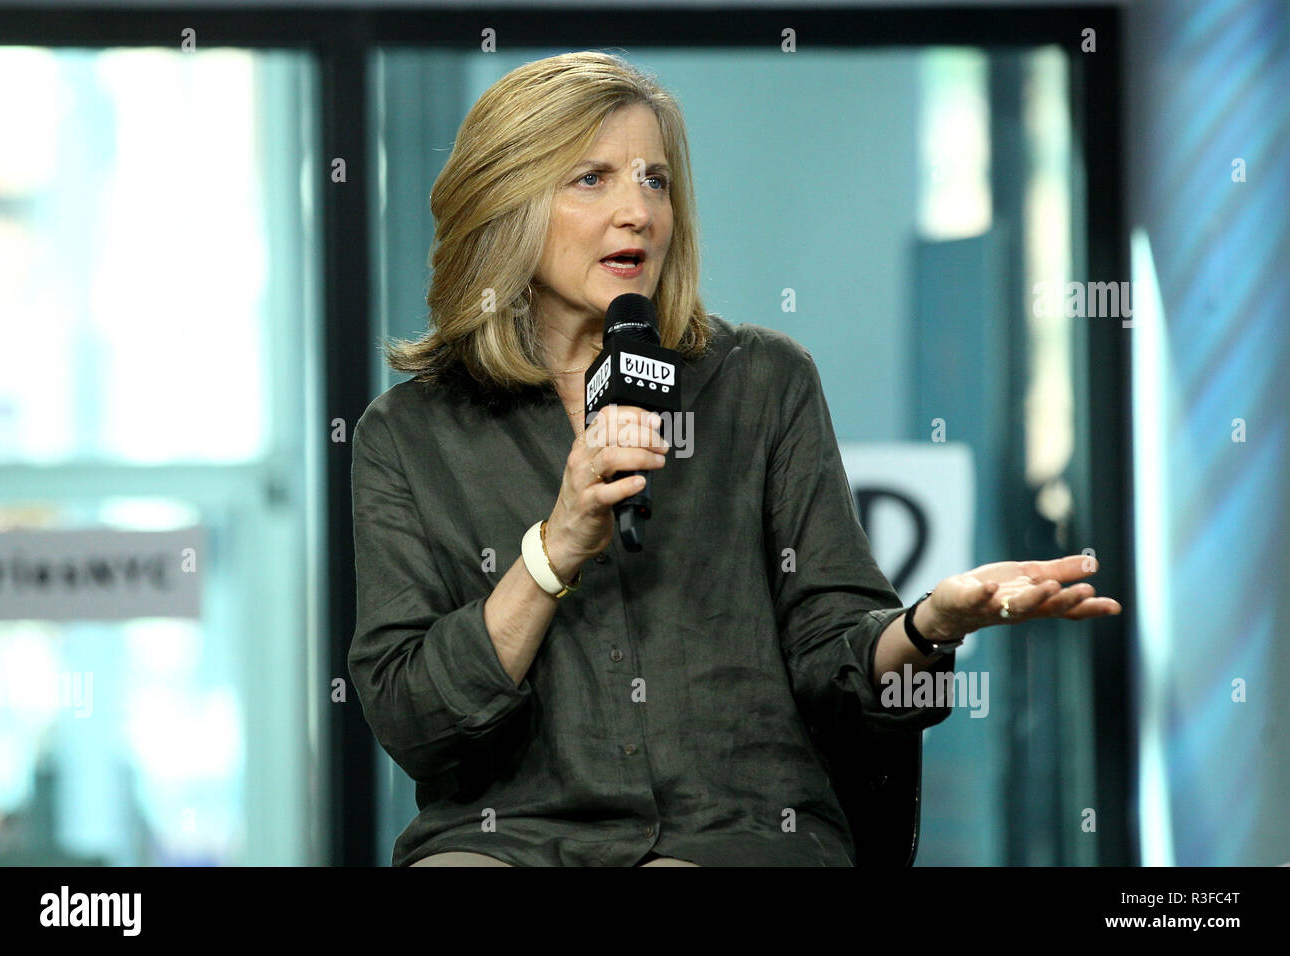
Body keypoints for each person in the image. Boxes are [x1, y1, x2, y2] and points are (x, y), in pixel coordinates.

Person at [347, 51, 1122, 868]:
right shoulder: (408, 435)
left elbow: (836, 658)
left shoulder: (762, 383)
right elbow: (414, 719)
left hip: (740, 830)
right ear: (506, 202)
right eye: (592, 179)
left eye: (654, 179)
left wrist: (930, 625)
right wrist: (556, 547)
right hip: (509, 836)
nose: (637, 212)